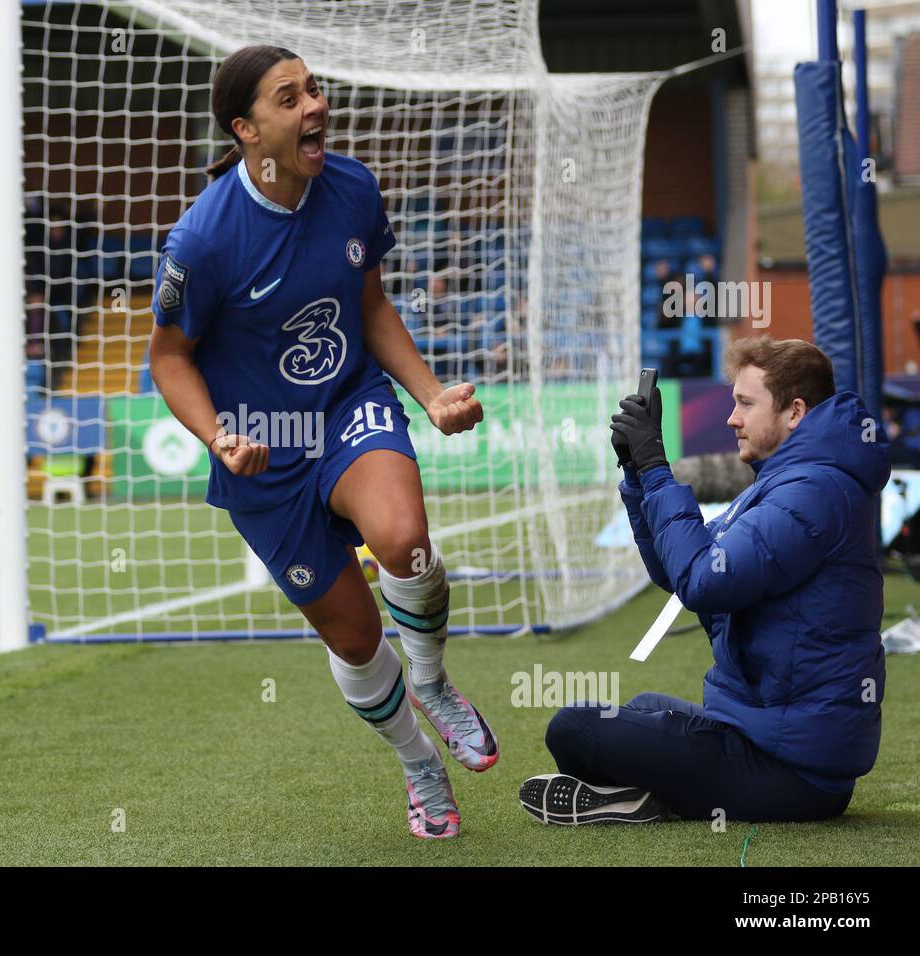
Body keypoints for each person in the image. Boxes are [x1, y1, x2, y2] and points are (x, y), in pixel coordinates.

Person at [148, 45, 494, 840]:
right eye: (289, 97)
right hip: (264, 452)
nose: (315, 107)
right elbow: (167, 358)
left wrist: (432, 394)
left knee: (404, 539)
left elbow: (370, 308)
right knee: (358, 636)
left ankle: (435, 683)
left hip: (345, 406)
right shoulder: (201, 242)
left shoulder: (354, 188)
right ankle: (418, 764)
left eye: (314, 89)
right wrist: (218, 436)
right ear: (247, 130)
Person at [520, 336, 891, 824]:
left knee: (574, 727)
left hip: (791, 769)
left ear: (795, 411)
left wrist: (657, 471)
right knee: (641, 707)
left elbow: (702, 583)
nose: (731, 418)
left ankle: (646, 798)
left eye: (744, 403)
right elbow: (678, 571)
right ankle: (642, 796)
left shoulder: (813, 492)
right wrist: (637, 475)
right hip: (770, 736)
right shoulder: (792, 480)